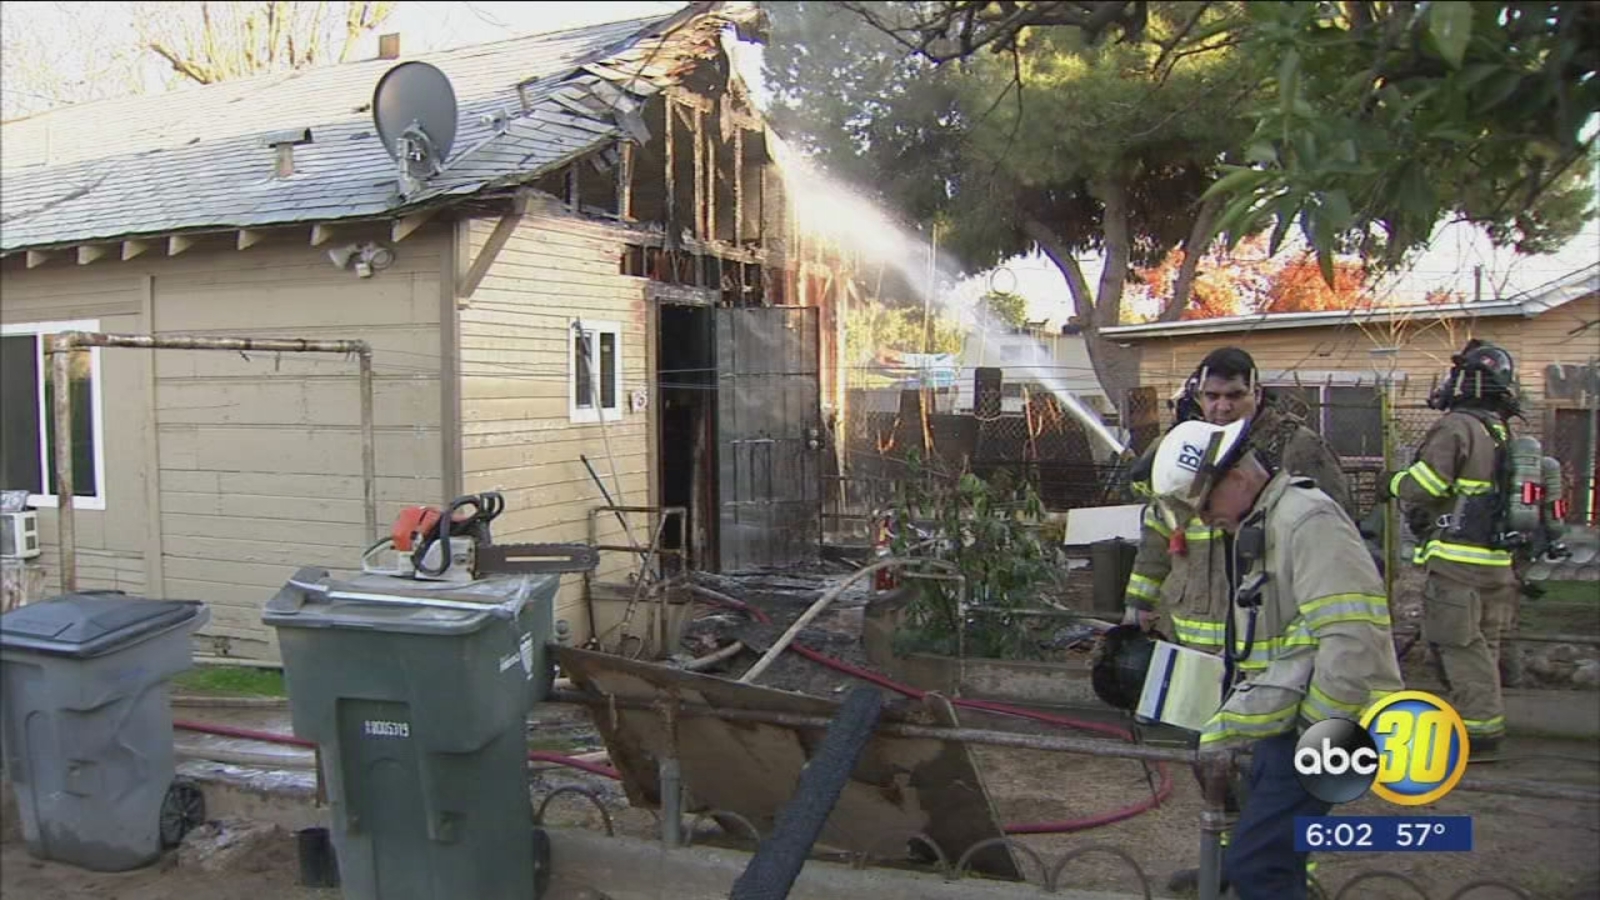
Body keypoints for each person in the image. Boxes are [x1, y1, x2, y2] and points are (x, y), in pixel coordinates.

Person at [1120, 347, 1351, 893]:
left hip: (1266, 641)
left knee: (1272, 770)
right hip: (1196, 642)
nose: (1222, 407)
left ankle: (1287, 874)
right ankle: (1222, 858)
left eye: (1234, 395)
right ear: (1198, 395)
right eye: (1212, 396)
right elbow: (1159, 528)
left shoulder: (1295, 448)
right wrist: (1139, 603)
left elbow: (1335, 532)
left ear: (1257, 393)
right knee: (1210, 758)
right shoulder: (1183, 446)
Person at [1148, 415, 1404, 900]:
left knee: (1258, 865)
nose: (1202, 519)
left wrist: (1316, 732)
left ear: (1240, 477)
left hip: (1324, 730)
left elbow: (1351, 640)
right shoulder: (1269, 521)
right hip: (1292, 727)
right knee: (1266, 858)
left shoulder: (1307, 521)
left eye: (1204, 504)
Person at [1380, 339, 1523, 761]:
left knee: (1461, 646)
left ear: (1468, 380)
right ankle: (1487, 721)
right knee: (1486, 644)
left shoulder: (1458, 426)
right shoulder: (1499, 429)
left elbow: (1427, 485)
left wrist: (1392, 483)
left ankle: (1478, 737)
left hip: (1459, 564)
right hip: (1497, 563)